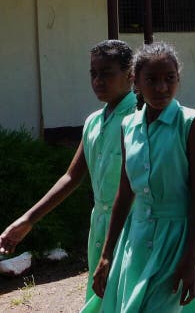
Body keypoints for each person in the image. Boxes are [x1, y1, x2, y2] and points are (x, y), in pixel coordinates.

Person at [0, 41, 135, 305]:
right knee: (102, 298)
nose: (98, 80)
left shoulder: (140, 118)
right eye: (93, 73)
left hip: (133, 226)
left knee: (128, 301)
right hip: (100, 226)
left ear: (129, 74)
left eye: (107, 73)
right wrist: (28, 219)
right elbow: (72, 177)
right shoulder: (94, 122)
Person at [85, 43, 195, 313]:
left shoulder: (190, 124)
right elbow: (125, 192)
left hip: (177, 241)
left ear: (178, 79)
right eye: (151, 80)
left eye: (169, 79)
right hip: (137, 239)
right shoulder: (128, 126)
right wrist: (107, 254)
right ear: (136, 83)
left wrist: (191, 257)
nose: (161, 87)